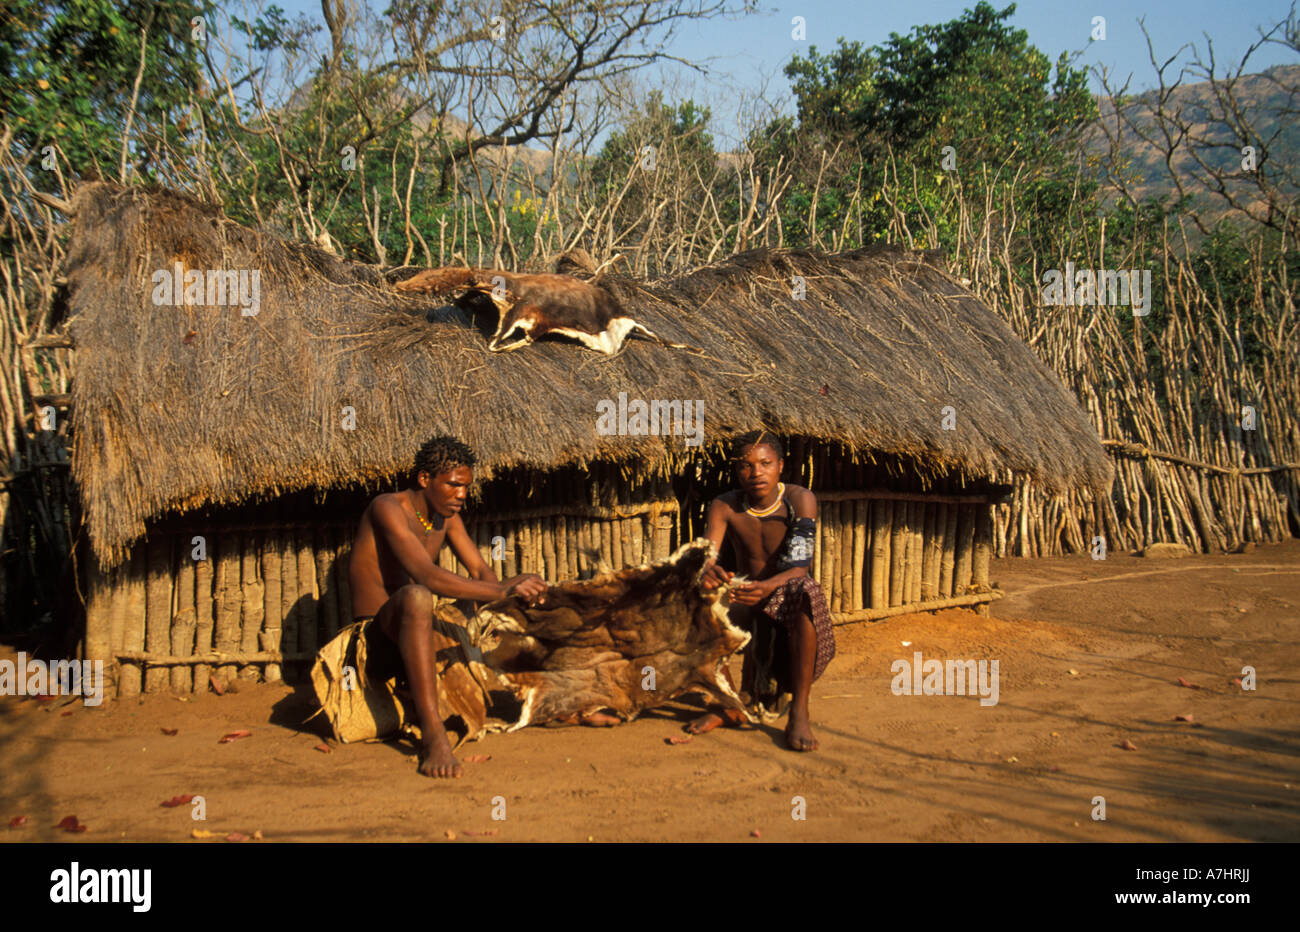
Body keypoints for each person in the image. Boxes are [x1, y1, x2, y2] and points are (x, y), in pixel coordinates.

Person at [348, 435, 546, 778]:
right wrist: (500, 588)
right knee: (419, 596)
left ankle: (544, 692)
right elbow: (427, 575)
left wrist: (511, 590)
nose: (462, 495)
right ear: (425, 480)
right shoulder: (388, 508)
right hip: (375, 641)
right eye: (454, 485)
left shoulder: (446, 518)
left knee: (520, 586)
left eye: (466, 487)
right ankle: (434, 734)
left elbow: (481, 571)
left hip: (416, 633)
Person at [690, 430, 836, 751]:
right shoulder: (724, 506)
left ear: (780, 466)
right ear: (737, 470)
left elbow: (799, 566)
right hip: (744, 597)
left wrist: (767, 587)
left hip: (783, 595)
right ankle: (731, 703)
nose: (756, 473)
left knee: (806, 591)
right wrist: (709, 571)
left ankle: (799, 711)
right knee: (697, 603)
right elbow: (707, 556)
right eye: (746, 465)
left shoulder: (799, 499)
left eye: (765, 463)